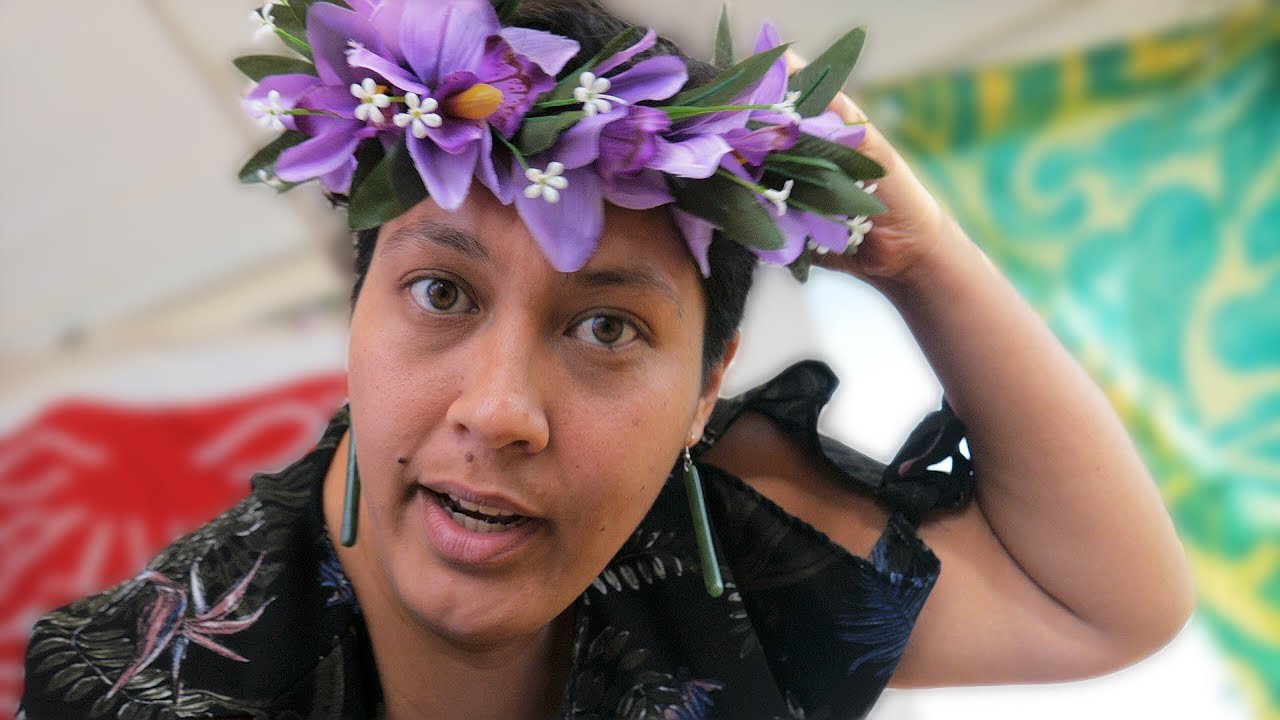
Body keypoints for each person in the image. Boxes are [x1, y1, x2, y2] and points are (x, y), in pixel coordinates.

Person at [21, 0, 1194, 718]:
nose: (500, 412)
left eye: (606, 328)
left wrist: (924, 260)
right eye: (440, 293)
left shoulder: (718, 566)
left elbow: (1098, 608)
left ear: (704, 388)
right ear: (356, 314)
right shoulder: (141, 686)